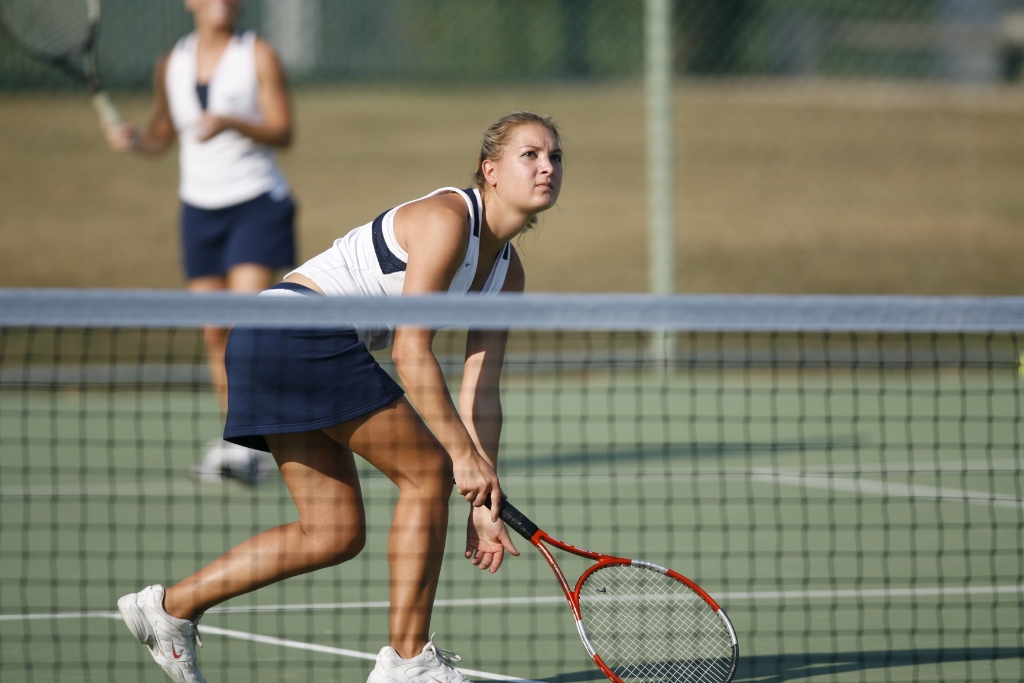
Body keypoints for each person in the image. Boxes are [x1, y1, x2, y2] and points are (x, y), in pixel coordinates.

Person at [115, 111, 564, 683]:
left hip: (268, 339)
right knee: (428, 470)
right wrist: (459, 457)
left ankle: (169, 609)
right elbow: (410, 351)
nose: (546, 167)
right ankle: (408, 663)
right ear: (491, 170)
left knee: (333, 533)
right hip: (296, 330)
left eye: (554, 157)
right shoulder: (449, 219)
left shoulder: (508, 272)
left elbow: (482, 386)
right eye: (530, 154)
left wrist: (484, 492)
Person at [103, 0, 296, 484]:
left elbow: (283, 130)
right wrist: (135, 141)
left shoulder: (258, 54)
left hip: (256, 204)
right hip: (198, 210)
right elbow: (163, 133)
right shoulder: (171, 63)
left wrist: (232, 121)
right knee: (214, 331)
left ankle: (259, 440)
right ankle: (238, 438)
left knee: (244, 325)